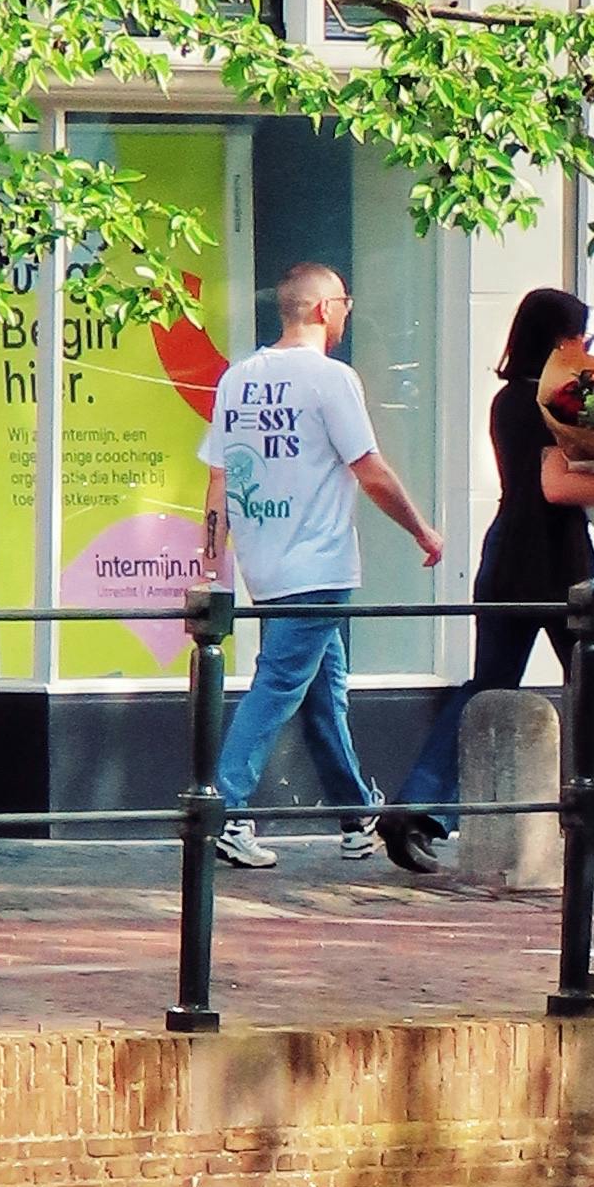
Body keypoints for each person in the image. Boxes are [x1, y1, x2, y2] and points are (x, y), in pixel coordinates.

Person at [382, 285, 594, 879]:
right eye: (580, 335)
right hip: (561, 564)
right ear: (563, 339)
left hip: (507, 555)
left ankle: (416, 807)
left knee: (488, 685)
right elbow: (558, 489)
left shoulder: (507, 400)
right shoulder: (551, 404)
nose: (586, 346)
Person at [197, 262, 443, 873]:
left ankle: (357, 815)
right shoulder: (332, 379)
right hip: (321, 562)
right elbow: (369, 468)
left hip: (266, 561)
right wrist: (421, 528)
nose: (348, 313)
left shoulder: (237, 379)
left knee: (322, 692)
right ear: (321, 309)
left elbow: (219, 477)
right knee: (280, 685)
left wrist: (213, 561)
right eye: (344, 303)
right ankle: (224, 812)